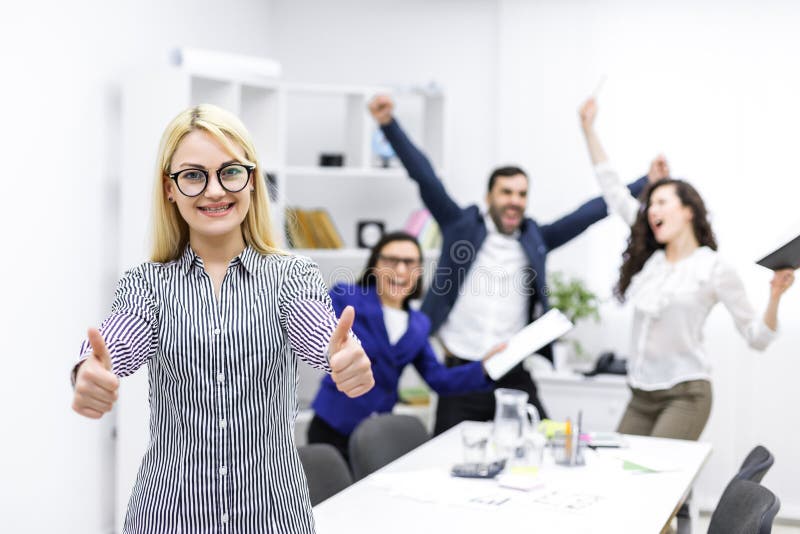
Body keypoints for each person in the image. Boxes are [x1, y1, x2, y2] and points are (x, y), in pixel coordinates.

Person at [70, 104, 374, 533]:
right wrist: (90, 369)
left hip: (273, 518)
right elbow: (116, 339)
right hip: (168, 518)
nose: (214, 190)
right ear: (169, 189)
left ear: (252, 180)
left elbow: (322, 336)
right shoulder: (147, 284)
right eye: (193, 175)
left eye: (230, 171)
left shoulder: (291, 275)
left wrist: (344, 359)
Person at [368, 94, 651, 435]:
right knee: (446, 460)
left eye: (521, 194)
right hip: (462, 371)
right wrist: (389, 124)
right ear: (490, 197)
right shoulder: (460, 227)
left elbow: (589, 213)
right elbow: (425, 177)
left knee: (548, 443)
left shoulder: (536, 239)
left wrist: (643, 183)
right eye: (506, 192)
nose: (514, 201)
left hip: (512, 371)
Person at [579, 96, 795, 440]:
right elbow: (613, 189)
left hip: (685, 395)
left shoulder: (714, 268)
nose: (652, 210)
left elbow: (757, 337)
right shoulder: (652, 261)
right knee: (620, 473)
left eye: (662, 202)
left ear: (688, 211)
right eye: (650, 205)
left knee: (660, 484)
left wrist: (775, 297)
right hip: (639, 394)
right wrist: (588, 129)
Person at [308, 231, 502, 462]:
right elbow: (317, 331)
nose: (400, 270)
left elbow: (439, 379)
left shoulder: (419, 324)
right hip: (333, 427)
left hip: (377, 435)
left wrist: (484, 367)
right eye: (391, 261)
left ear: (418, 271)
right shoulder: (346, 298)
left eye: (409, 263)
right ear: (375, 266)